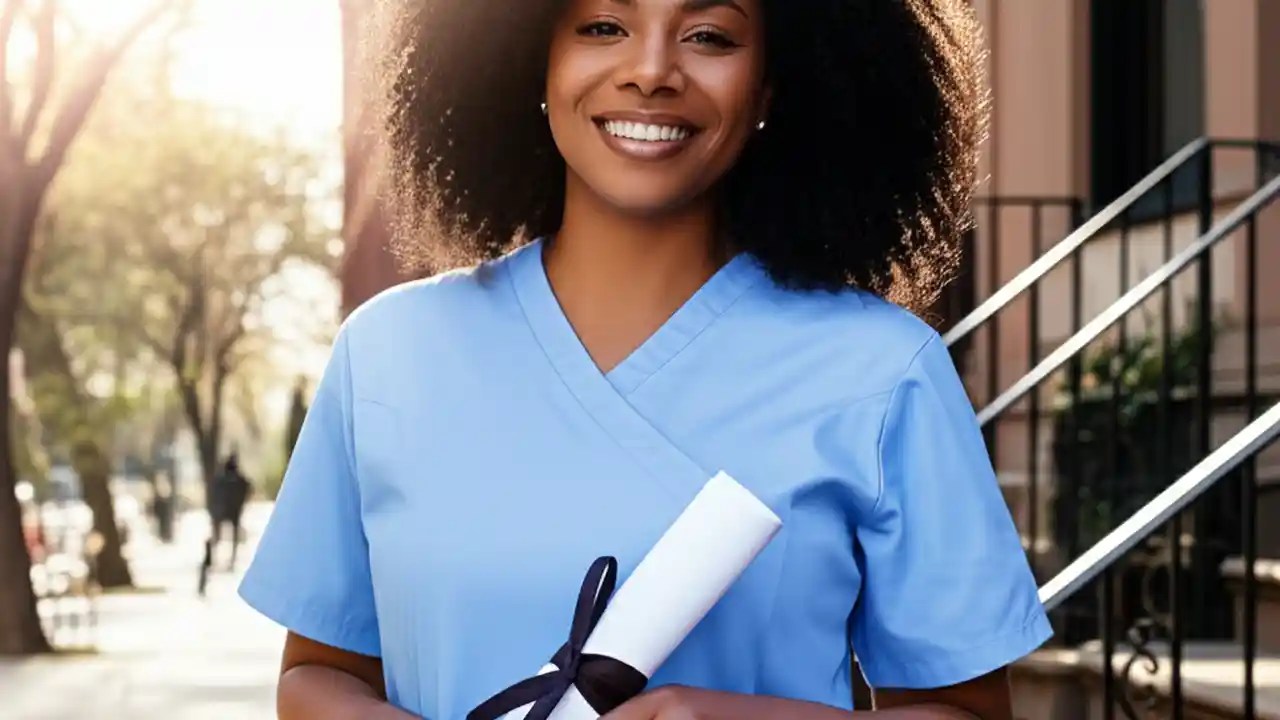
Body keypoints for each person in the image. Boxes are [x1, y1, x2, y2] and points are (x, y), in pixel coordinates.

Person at [239, 1, 1050, 718]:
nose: (653, 71)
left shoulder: (881, 372)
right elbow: (317, 675)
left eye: (709, 34)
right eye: (603, 26)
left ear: (772, 84)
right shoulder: (388, 355)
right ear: (530, 59)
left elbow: (965, 711)